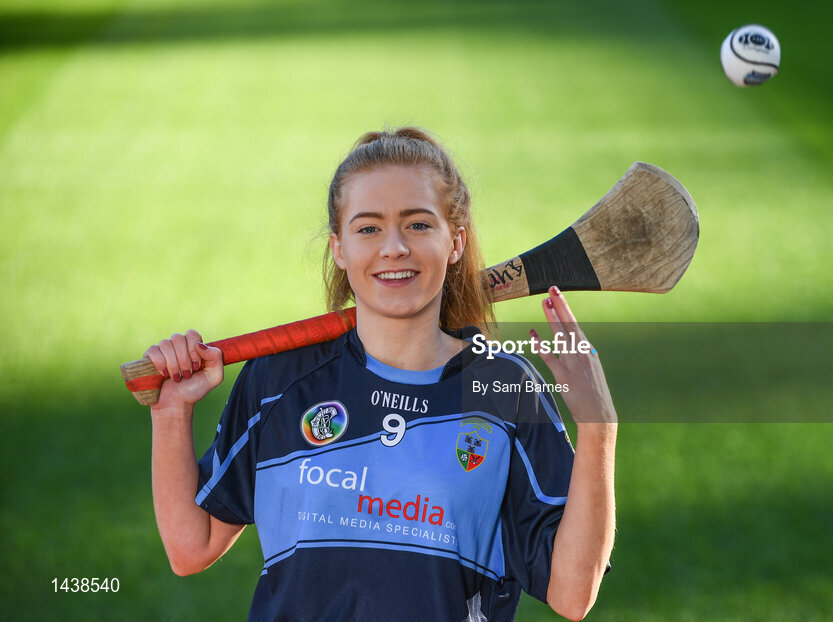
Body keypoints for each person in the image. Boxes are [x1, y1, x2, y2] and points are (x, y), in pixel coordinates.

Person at [146, 128, 617, 621]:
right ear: (339, 248)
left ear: (454, 242)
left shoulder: (503, 389)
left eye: (417, 225)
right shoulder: (280, 380)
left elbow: (571, 593)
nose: (393, 247)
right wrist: (172, 412)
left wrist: (599, 427)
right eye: (368, 228)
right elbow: (191, 547)